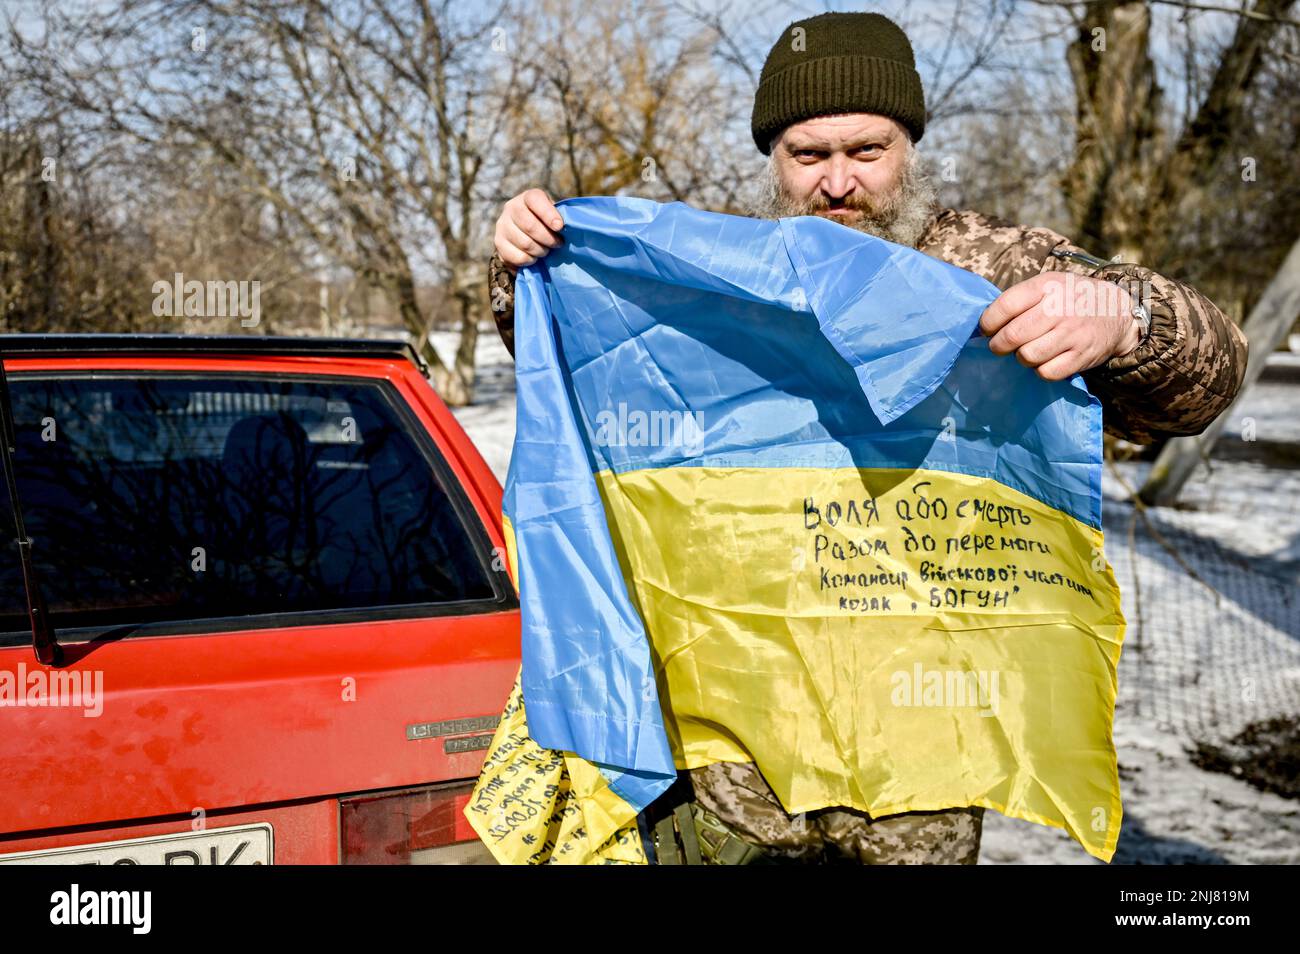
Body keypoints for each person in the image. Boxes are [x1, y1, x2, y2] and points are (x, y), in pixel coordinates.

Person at [484, 11, 1248, 864]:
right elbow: (585, 351)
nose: (838, 182)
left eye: (867, 151)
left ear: (910, 146)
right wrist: (528, 261)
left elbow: (1209, 377)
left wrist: (1127, 316)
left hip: (922, 754)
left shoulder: (990, 267)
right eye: (809, 156)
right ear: (773, 161)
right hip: (742, 750)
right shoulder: (722, 274)